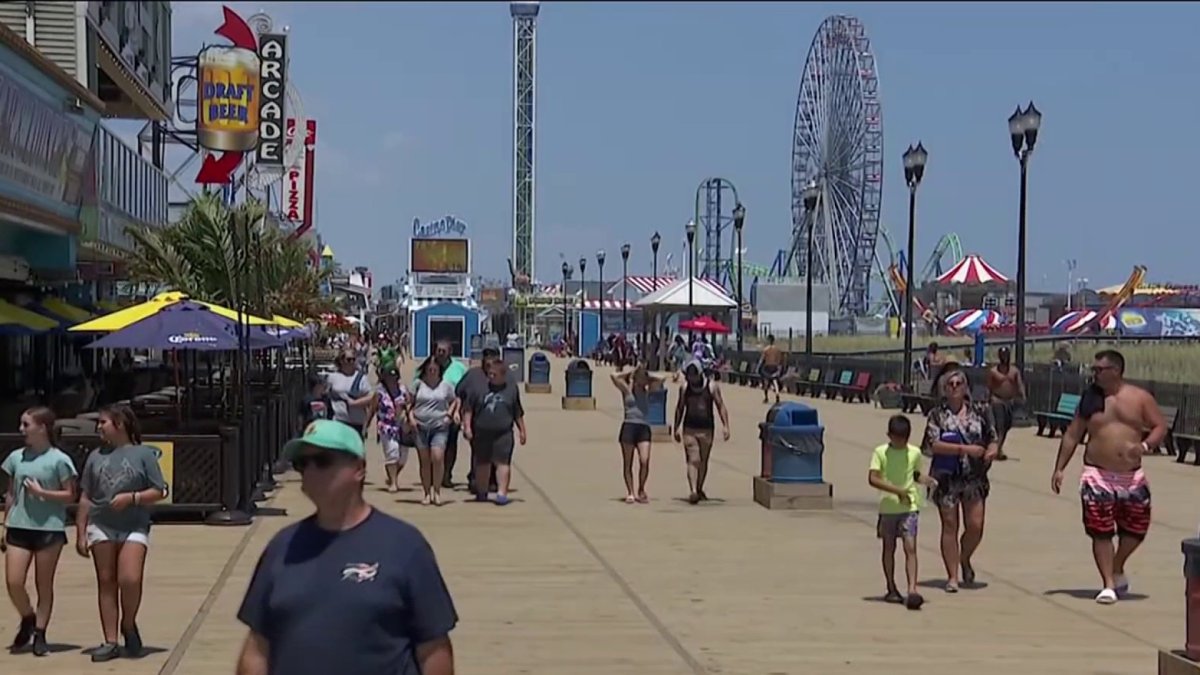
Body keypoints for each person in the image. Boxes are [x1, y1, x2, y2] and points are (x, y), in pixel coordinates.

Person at [236, 421, 457, 675]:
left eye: (322, 461)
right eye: (302, 464)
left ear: (359, 469)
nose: (310, 470)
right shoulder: (281, 547)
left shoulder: (405, 546)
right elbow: (257, 647)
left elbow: (434, 648)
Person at [1051, 349, 1167, 604]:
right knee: (1100, 531)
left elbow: (1160, 426)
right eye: (1094, 370)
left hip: (1131, 476)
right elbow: (1073, 434)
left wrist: (1145, 447)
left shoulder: (1139, 398)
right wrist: (1060, 468)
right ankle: (1108, 584)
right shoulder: (1090, 399)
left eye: (1099, 370)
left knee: (1136, 529)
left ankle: (1117, 564)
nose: (1094, 374)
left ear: (1115, 371)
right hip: (1096, 474)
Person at [76, 404, 168, 661]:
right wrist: (81, 532)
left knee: (130, 578)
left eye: (103, 422)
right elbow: (86, 495)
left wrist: (133, 497)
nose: (99, 427)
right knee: (106, 581)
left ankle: (128, 623)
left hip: (134, 524)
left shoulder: (143, 454)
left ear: (120, 424)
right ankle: (110, 640)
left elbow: (158, 490)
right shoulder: (95, 456)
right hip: (101, 523)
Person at [2, 407, 77, 656]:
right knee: (13, 582)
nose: (21, 429)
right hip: (19, 525)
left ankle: (41, 633)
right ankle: (28, 617)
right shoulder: (16, 457)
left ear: (42, 428)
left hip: (49, 528)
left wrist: (43, 494)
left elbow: (70, 495)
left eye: (26, 424)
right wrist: (5, 522)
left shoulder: (59, 459)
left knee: (43, 584)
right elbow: (11, 492)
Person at [921, 366, 998, 593]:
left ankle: (964, 558)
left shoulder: (980, 411)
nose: (954, 387)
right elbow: (931, 444)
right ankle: (953, 575)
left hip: (974, 477)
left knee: (975, 526)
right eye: (950, 384)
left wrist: (992, 449)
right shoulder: (937, 414)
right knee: (950, 525)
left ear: (966, 387)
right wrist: (963, 449)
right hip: (946, 478)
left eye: (958, 383)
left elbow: (992, 437)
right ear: (944, 389)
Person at [869, 414, 936, 610]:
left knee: (910, 547)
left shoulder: (914, 453)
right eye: (897, 438)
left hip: (910, 507)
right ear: (889, 435)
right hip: (888, 507)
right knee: (889, 547)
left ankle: (912, 589)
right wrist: (897, 491)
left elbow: (914, 474)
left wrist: (926, 480)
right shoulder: (880, 452)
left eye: (904, 439)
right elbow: (873, 478)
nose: (900, 443)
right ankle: (891, 586)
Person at [461, 357, 527, 505]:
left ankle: (502, 493)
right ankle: (482, 492)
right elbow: (468, 409)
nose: (491, 377)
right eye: (489, 374)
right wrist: (467, 427)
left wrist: (522, 430)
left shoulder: (511, 389)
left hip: (503, 433)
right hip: (481, 432)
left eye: (494, 374)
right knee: (482, 463)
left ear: (503, 375)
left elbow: (517, 412)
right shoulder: (478, 389)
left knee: (503, 463)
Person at [672, 359, 731, 505]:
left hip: (707, 429)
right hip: (689, 429)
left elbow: (720, 406)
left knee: (703, 461)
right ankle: (692, 491)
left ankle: (699, 488)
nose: (692, 378)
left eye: (694, 374)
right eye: (689, 375)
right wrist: (676, 428)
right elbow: (680, 408)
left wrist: (726, 426)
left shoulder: (711, 387)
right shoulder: (685, 388)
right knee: (693, 459)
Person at [409, 358, 459, 505]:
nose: (432, 371)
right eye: (429, 369)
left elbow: (455, 400)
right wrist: (411, 418)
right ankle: (426, 493)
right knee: (424, 462)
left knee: (437, 458)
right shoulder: (417, 385)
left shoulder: (446, 385)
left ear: (439, 370)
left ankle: (437, 491)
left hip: (440, 426)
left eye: (434, 369)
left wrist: (450, 414)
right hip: (420, 426)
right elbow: (408, 403)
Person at [456, 348, 504, 494]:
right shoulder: (473, 375)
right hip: (476, 421)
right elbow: (459, 392)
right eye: (487, 357)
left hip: (498, 422)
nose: (490, 361)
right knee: (479, 453)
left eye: (493, 357)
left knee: (497, 453)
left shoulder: (504, 375)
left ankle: (493, 481)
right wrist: (462, 420)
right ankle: (476, 480)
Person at [611, 365, 660, 504]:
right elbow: (613, 376)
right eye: (640, 378)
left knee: (644, 460)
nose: (642, 381)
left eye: (643, 378)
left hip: (643, 426)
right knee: (628, 463)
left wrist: (648, 375)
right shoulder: (627, 390)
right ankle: (630, 492)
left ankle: (641, 489)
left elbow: (661, 380)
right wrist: (630, 373)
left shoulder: (648, 390)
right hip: (629, 426)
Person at [427, 340, 468, 489]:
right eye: (439, 350)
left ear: (450, 351)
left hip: (453, 413)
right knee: (433, 446)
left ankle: (446, 475)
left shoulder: (459, 368)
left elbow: (465, 391)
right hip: (431, 412)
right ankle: (432, 474)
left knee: (450, 445)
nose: (441, 353)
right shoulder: (428, 366)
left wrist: (461, 412)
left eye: (444, 350)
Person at [374, 365, 412, 494]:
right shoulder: (380, 392)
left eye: (394, 375)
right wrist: (366, 426)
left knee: (403, 458)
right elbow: (372, 409)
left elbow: (410, 403)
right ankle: (394, 482)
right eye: (389, 376)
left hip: (402, 426)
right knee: (393, 453)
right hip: (386, 427)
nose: (392, 378)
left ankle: (392, 475)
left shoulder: (403, 389)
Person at [986, 346, 1025, 461]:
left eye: (1006, 355)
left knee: (1007, 425)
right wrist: (988, 400)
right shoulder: (993, 371)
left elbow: (1019, 384)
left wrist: (1022, 395)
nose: (1004, 358)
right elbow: (989, 386)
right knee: (1000, 426)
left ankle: (999, 447)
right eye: (1002, 356)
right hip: (997, 400)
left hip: (1010, 401)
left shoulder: (1014, 371)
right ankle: (997, 450)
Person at [327, 350, 372, 438]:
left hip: (357, 423)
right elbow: (325, 394)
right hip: (338, 421)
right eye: (348, 359)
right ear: (341, 361)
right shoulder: (332, 377)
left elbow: (372, 397)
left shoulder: (361, 378)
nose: (351, 362)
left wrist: (355, 403)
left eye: (353, 359)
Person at [757, 334, 784, 404]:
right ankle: (777, 394)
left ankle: (766, 398)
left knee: (766, 382)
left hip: (767, 367)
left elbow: (762, 359)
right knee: (775, 382)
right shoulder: (777, 350)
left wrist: (758, 367)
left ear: (769, 340)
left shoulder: (766, 349)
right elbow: (780, 359)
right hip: (775, 366)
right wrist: (779, 367)